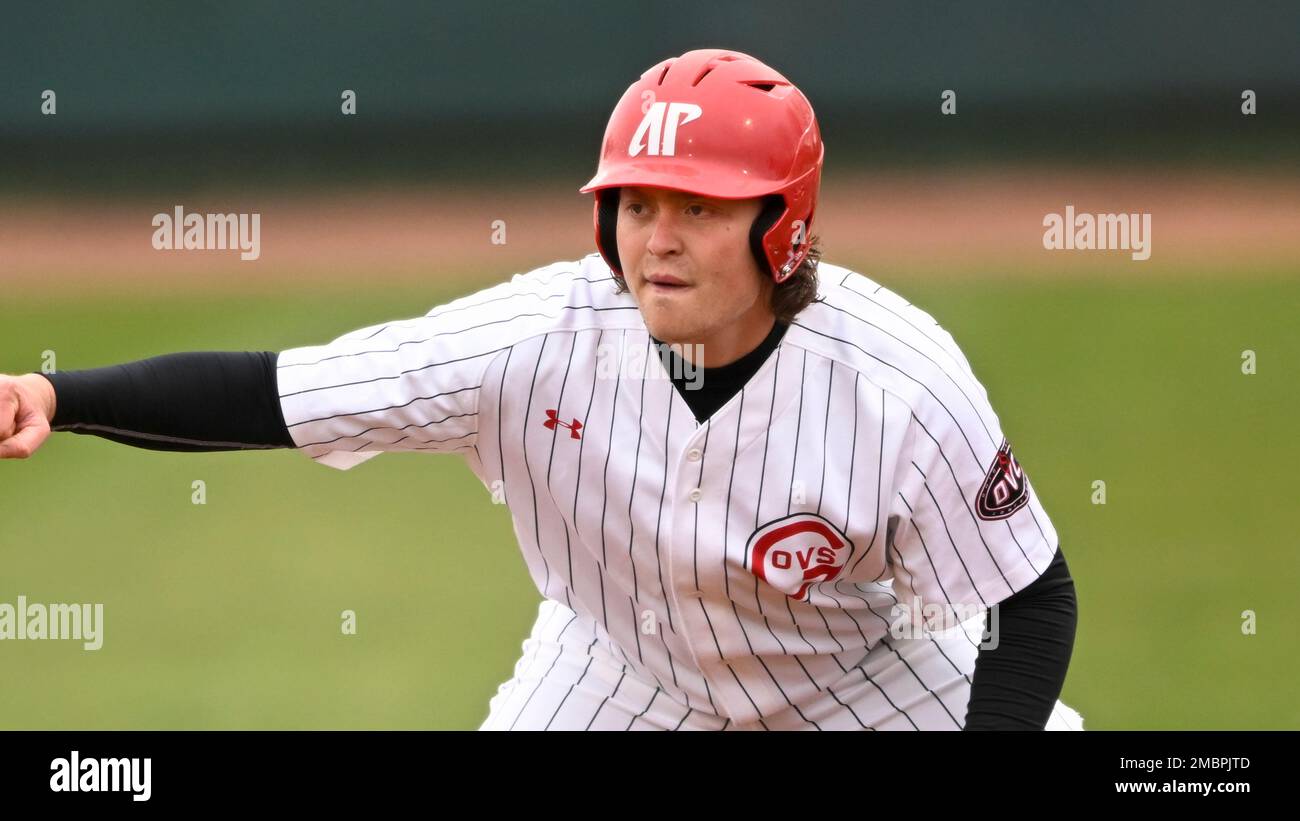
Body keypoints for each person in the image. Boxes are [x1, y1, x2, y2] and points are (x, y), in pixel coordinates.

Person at [0, 48, 1082, 731]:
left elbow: (1027, 599)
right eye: (634, 203)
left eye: (697, 209)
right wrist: (58, 395)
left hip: (866, 679)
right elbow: (273, 393)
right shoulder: (534, 341)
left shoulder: (898, 376)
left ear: (780, 226)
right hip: (620, 678)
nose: (655, 239)